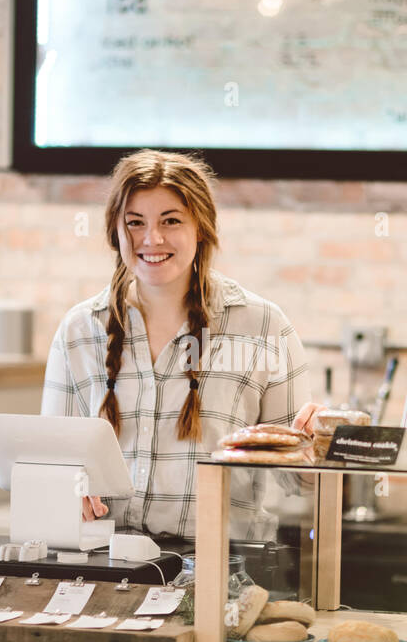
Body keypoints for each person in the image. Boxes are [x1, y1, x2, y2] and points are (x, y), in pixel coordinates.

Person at [41, 149, 324, 541]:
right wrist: (67, 487)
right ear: (115, 232)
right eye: (135, 223)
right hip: (102, 563)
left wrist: (320, 443)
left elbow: (298, 483)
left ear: (201, 228)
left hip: (223, 571)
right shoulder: (79, 330)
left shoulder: (263, 326)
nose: (151, 239)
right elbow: (52, 466)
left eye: (170, 221)